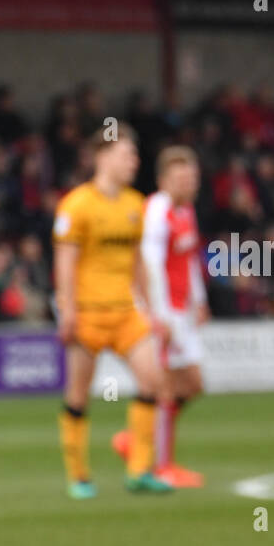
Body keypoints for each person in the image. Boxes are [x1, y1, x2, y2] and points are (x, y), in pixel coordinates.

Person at [53, 124, 173, 498]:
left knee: (152, 382)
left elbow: (139, 266)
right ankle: (79, 476)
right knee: (78, 394)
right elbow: (65, 263)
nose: (134, 162)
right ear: (102, 157)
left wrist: (153, 311)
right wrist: (67, 310)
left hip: (125, 314)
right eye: (127, 155)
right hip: (87, 314)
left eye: (135, 155)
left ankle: (138, 470)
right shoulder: (76, 205)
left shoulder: (136, 205)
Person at [112, 146, 208, 488]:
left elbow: (189, 259)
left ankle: (135, 439)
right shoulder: (156, 210)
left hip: (182, 309)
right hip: (164, 310)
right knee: (167, 386)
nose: (190, 182)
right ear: (164, 179)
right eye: (182, 177)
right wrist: (158, 314)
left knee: (192, 384)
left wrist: (199, 300)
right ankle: (163, 465)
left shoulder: (186, 210)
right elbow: (149, 264)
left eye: (192, 176)